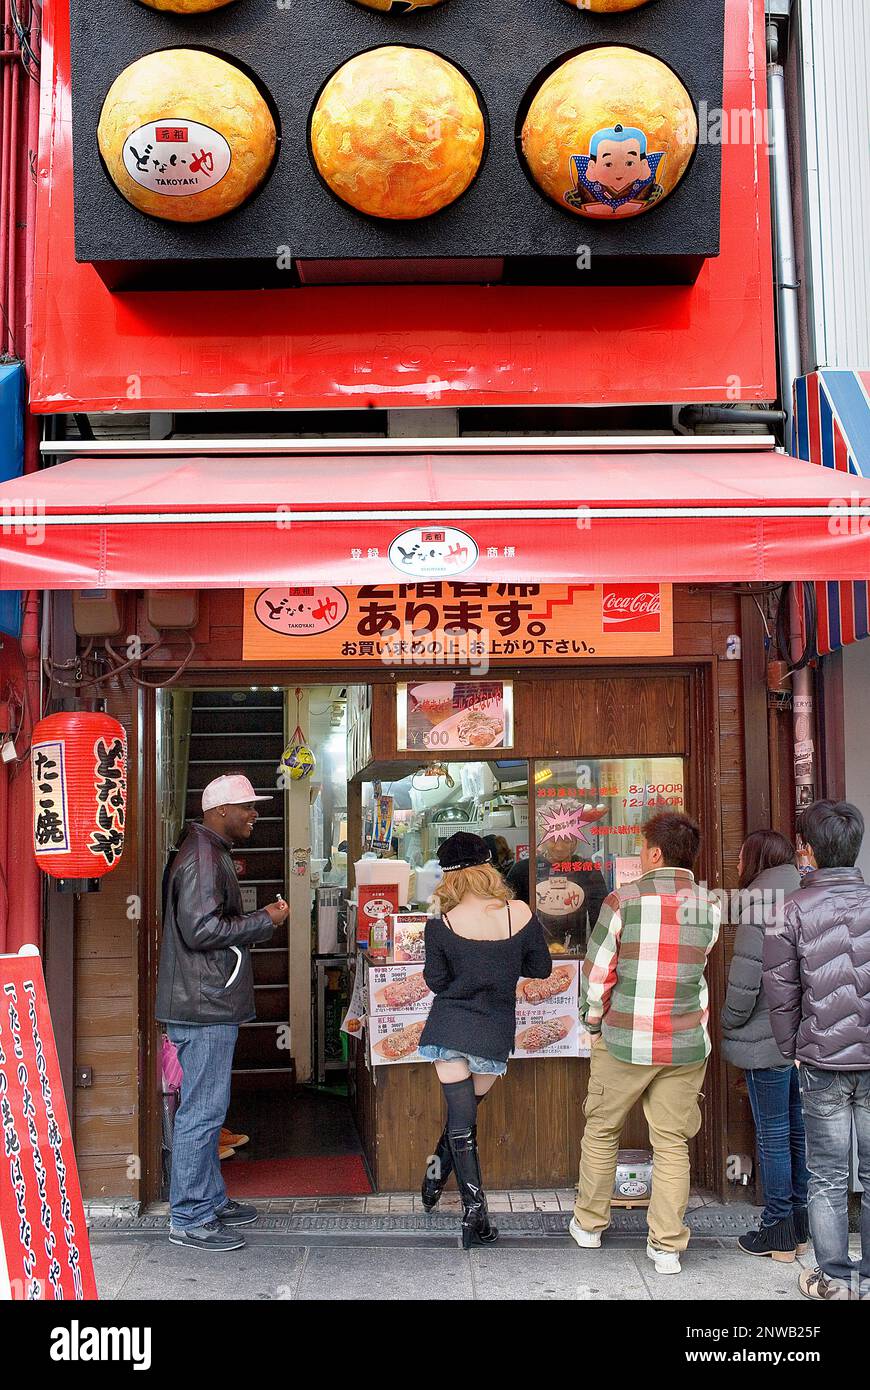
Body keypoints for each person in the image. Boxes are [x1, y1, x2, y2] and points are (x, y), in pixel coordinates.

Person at [573, 812, 720, 1275]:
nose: (640, 853)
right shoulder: (709, 905)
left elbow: (597, 974)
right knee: (673, 1143)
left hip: (625, 1041)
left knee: (601, 1131)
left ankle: (590, 1225)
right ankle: (666, 1247)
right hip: (684, 1044)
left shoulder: (622, 901)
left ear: (654, 852)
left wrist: (592, 1023)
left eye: (641, 847)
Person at [156, 773, 289, 1252]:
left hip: (204, 999)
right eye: (246, 808)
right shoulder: (203, 858)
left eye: (254, 807)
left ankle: (209, 1200)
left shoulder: (206, 852)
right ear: (218, 812)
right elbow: (200, 930)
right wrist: (264, 922)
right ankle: (189, 1218)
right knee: (202, 1113)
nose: (255, 815)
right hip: (204, 1004)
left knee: (206, 1110)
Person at [417, 832, 552, 1248]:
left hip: (449, 1026)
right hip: (494, 1030)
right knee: (465, 1119)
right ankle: (471, 1208)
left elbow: (436, 981)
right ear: (488, 867)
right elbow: (542, 967)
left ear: (449, 878)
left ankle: (444, 1181)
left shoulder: (441, 924)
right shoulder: (521, 913)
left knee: (461, 1123)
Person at [763, 799, 870, 1301]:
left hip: (822, 1061)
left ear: (808, 850)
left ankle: (833, 1277)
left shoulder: (792, 909)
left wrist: (792, 1047)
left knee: (826, 1174)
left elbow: (779, 991)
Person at [721, 831, 808, 1261]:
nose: (737, 864)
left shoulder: (758, 900)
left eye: (740, 857)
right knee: (796, 1132)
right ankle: (802, 1223)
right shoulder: (807, 890)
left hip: (765, 1035)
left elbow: (746, 979)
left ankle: (777, 1230)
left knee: (773, 1135)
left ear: (754, 859)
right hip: (805, 1037)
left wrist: (727, 1021)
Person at [506, 836, 608, 952]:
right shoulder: (523, 870)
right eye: (553, 840)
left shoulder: (587, 870)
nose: (560, 847)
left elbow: (600, 917)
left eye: (566, 840)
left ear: (575, 843)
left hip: (575, 952)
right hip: (531, 951)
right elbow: (506, 914)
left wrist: (599, 953)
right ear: (543, 841)